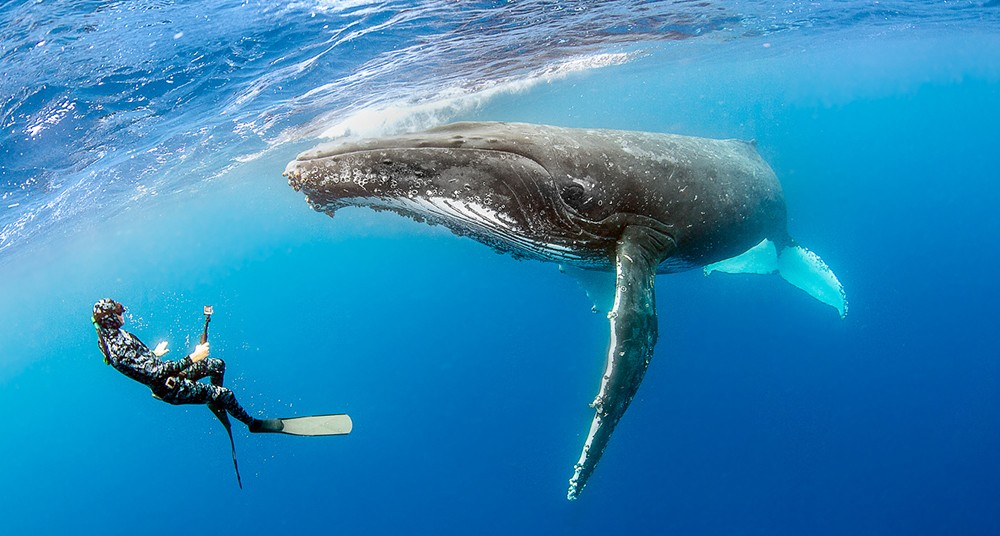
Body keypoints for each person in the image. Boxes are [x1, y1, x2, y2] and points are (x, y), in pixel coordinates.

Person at [92, 298, 261, 430]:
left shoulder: (110, 335)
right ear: (110, 318)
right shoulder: (117, 349)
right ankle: (252, 424)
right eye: (119, 311)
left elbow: (135, 364)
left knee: (217, 365)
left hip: (169, 375)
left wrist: (152, 354)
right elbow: (155, 373)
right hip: (171, 388)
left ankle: (214, 400)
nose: (123, 312)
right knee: (227, 395)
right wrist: (193, 357)